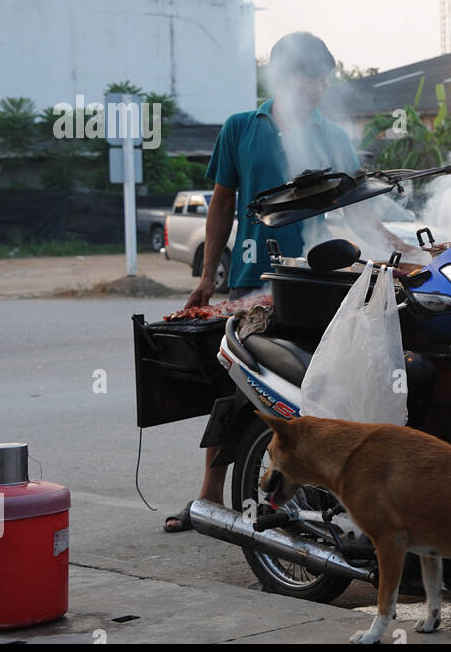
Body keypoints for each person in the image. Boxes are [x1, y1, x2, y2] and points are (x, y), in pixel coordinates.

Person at [165, 32, 387, 531]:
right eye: (312, 74)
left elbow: (360, 213)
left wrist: (407, 252)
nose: (321, 85)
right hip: (250, 280)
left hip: (316, 282)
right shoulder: (242, 127)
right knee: (240, 388)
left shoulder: (332, 135)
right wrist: (206, 277)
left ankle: (305, 496)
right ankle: (209, 497)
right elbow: (221, 202)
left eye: (327, 75)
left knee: (311, 386)